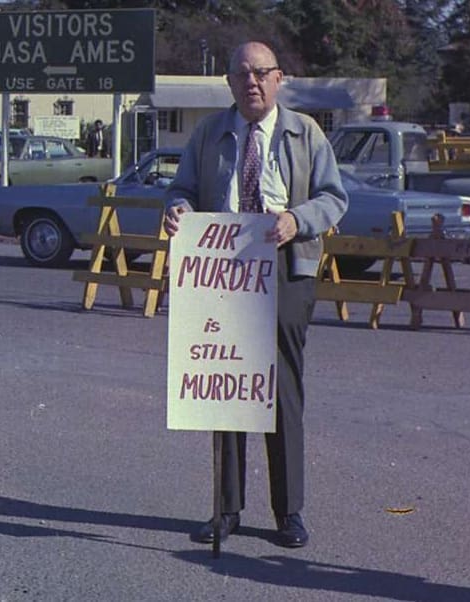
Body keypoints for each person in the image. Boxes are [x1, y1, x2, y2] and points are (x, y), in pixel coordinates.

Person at [163, 41, 348, 548]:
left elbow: (335, 197)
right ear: (229, 82)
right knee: (224, 386)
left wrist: (296, 219)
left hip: (287, 269)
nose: (252, 83)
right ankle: (226, 509)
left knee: (282, 389)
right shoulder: (208, 134)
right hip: (221, 274)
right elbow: (181, 190)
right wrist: (176, 209)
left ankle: (289, 512)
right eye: (242, 74)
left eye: (261, 73)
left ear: (278, 78)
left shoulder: (305, 133)